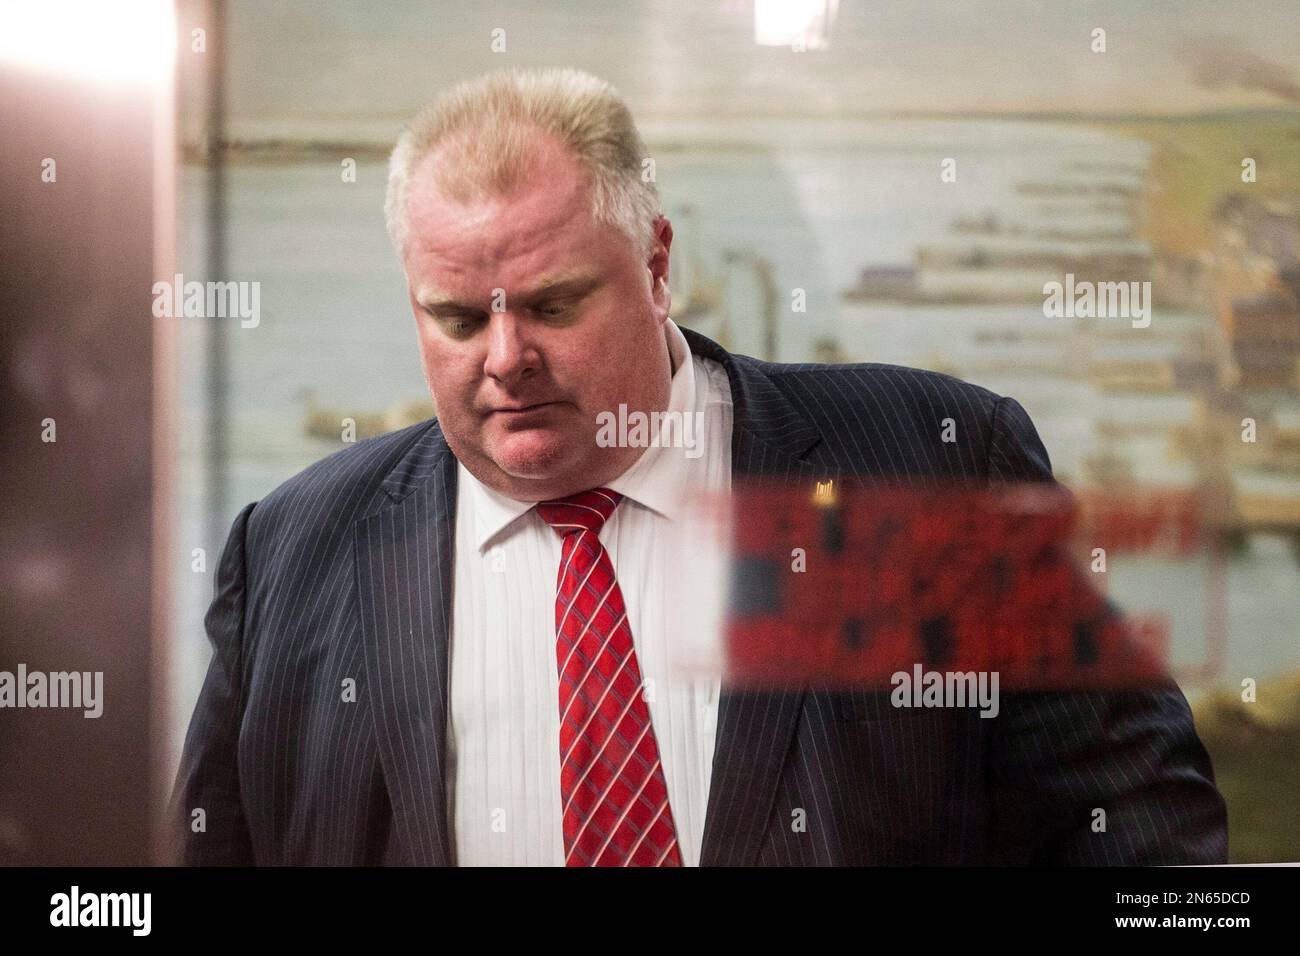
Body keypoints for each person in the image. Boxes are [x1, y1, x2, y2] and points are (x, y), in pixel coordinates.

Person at [171, 67, 1227, 866]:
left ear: (658, 264)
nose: (503, 358)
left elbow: (1146, 835)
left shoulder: (929, 465)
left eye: (552, 304)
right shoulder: (293, 551)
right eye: (453, 317)